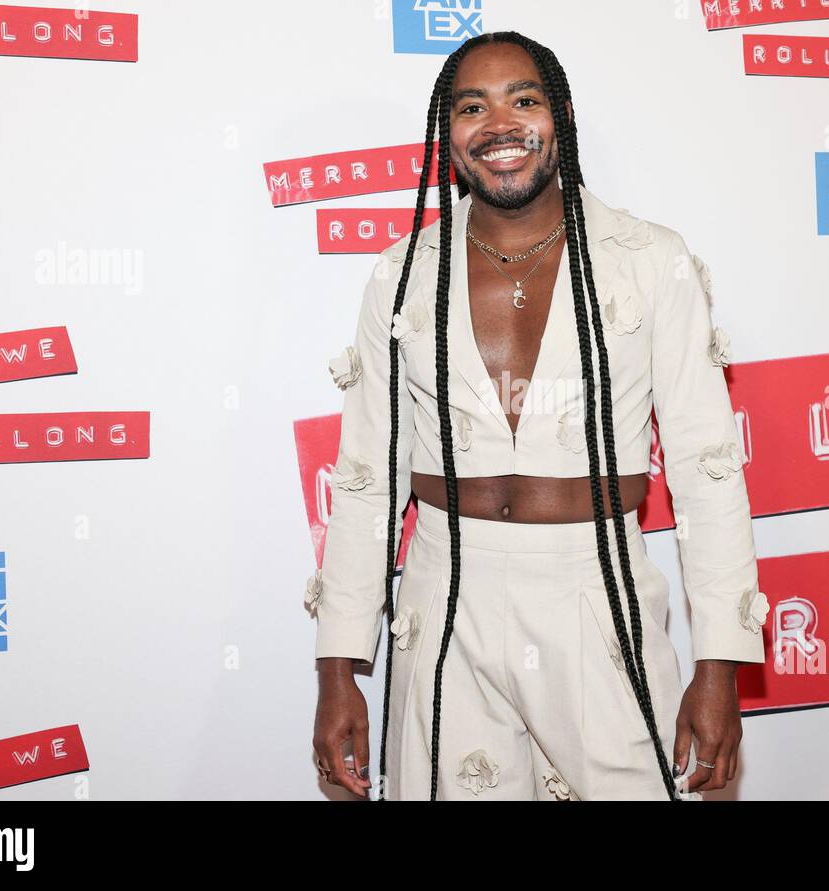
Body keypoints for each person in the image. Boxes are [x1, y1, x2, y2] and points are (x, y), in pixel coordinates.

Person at [309, 30, 769, 801]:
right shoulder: (402, 274)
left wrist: (718, 665)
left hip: (598, 592)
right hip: (445, 593)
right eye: (471, 106)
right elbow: (365, 482)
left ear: (560, 116)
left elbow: (706, 471)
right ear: (447, 134)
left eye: (524, 99)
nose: (500, 123)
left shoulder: (651, 260)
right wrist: (337, 669)